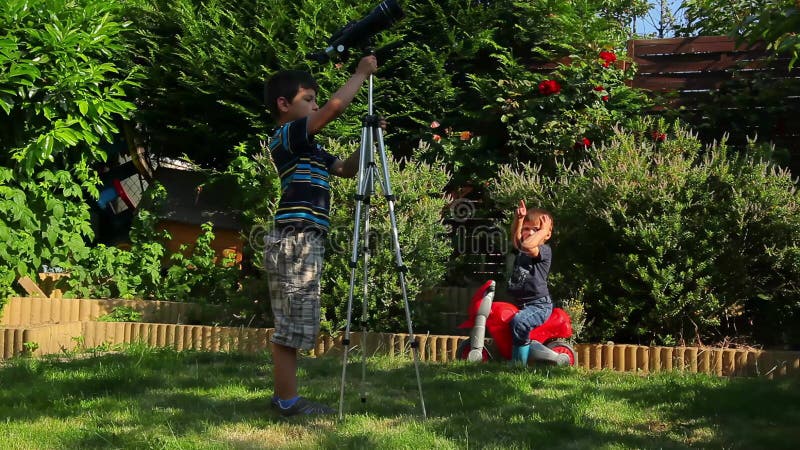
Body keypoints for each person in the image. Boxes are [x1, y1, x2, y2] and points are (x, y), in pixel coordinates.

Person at [262, 55, 378, 416]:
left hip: (306, 240)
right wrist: (360, 74)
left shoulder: (311, 148)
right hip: (294, 239)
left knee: (299, 322)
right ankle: (286, 401)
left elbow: (344, 169)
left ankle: (287, 398)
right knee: (291, 327)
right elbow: (332, 110)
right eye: (308, 99)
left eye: (314, 100)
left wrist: (369, 138)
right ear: (284, 105)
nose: (314, 105)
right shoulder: (286, 136)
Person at [507, 199, 569, 366]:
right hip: (524, 304)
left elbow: (527, 245)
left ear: (546, 235)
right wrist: (519, 220)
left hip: (539, 305)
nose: (528, 233)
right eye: (526, 229)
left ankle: (518, 364)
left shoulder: (542, 251)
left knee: (519, 322)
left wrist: (543, 230)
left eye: (533, 229)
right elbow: (518, 241)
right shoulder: (524, 247)